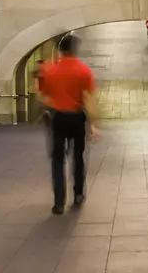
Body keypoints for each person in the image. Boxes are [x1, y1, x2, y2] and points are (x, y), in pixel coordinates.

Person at [36, 33, 98, 214]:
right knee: (77, 157)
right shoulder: (84, 70)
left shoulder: (51, 70)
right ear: (75, 50)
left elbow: (44, 96)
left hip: (58, 118)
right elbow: (89, 99)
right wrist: (93, 124)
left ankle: (59, 202)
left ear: (61, 51)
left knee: (57, 159)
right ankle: (78, 193)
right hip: (77, 117)